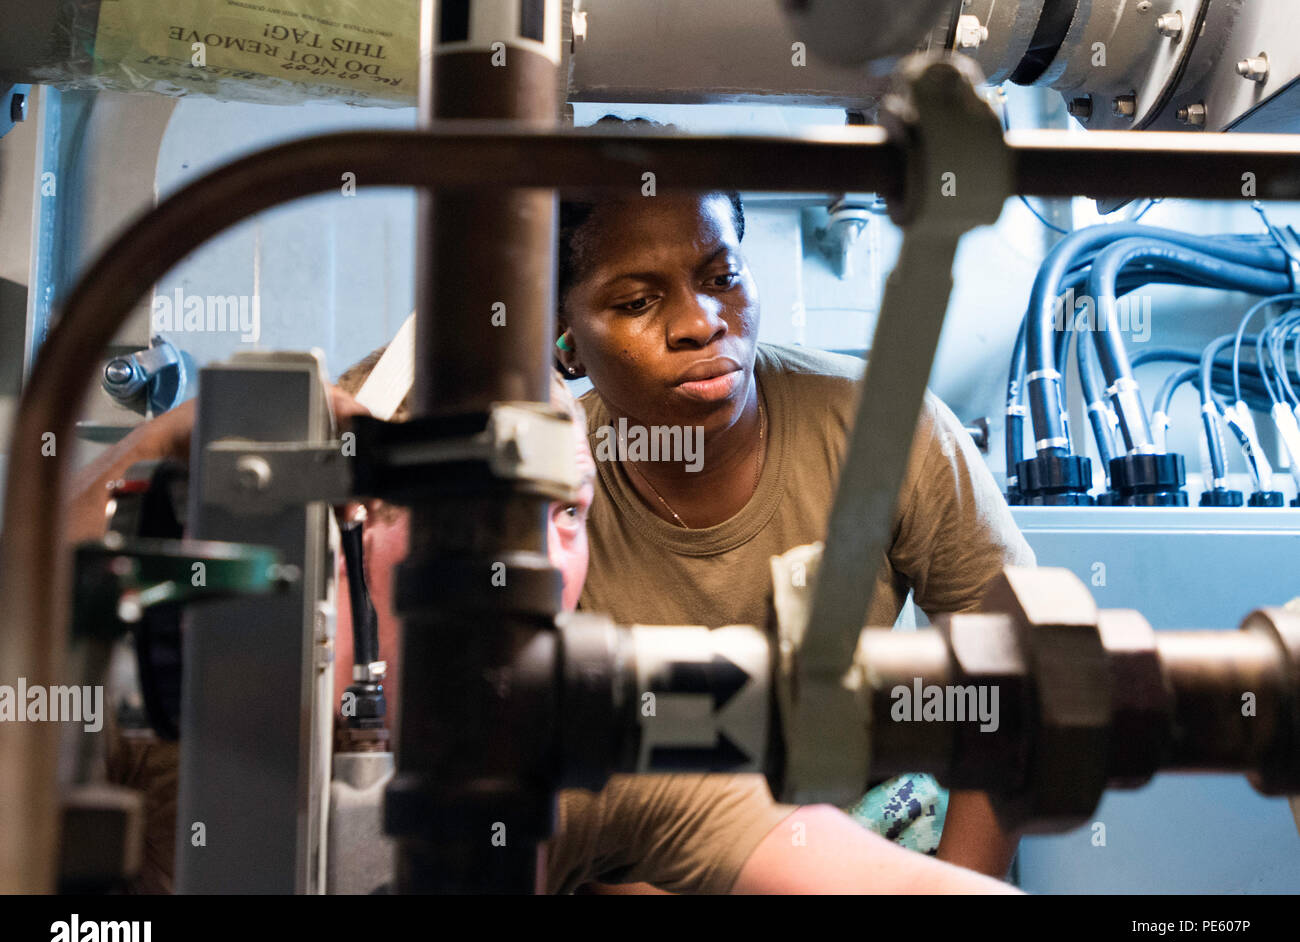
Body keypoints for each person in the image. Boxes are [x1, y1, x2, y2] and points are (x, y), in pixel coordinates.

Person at [72, 352, 1014, 894]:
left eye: (569, 515)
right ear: (349, 520)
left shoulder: (588, 741)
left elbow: (892, 887)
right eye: (484, 513)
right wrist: (154, 447)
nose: (546, 562)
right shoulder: (173, 713)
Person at [551, 184, 1036, 875]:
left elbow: (1022, 682)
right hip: (651, 859)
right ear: (565, 345)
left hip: (875, 840)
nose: (700, 322)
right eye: (637, 301)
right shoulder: (556, 494)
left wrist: (955, 886)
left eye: (722, 278)